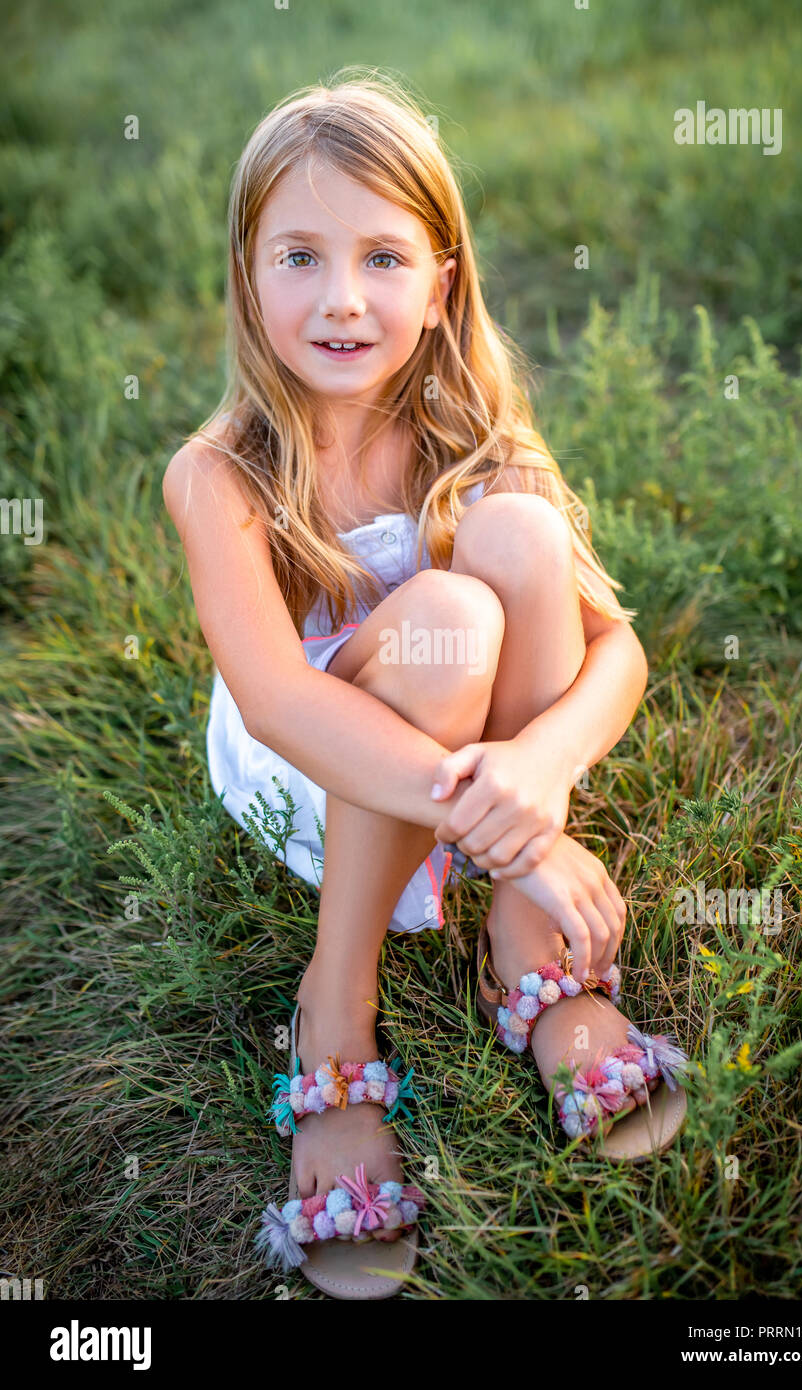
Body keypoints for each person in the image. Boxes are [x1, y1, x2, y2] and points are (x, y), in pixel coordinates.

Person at [162, 70, 688, 1300]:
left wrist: (539, 774)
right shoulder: (220, 475)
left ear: (442, 278)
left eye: (384, 258)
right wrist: (513, 827)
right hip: (315, 772)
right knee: (451, 613)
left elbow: (619, 651)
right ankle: (334, 1005)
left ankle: (521, 935)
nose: (342, 300)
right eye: (298, 255)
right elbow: (286, 707)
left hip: (479, 777)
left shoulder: (476, 431)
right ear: (246, 276)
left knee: (517, 538)